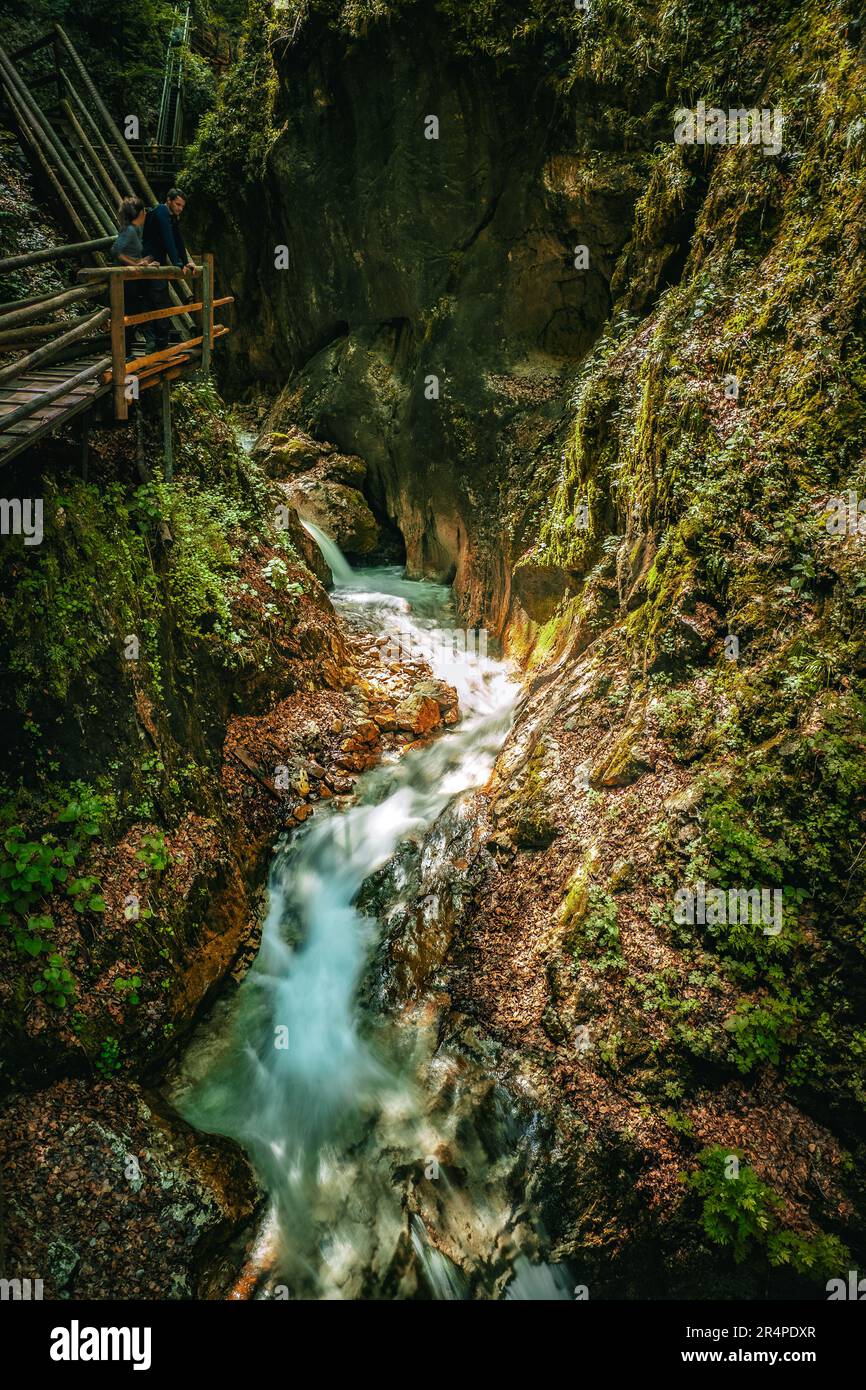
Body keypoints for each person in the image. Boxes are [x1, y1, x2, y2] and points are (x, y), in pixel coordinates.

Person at [141, 188, 195, 351]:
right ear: (169, 201)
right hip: (149, 261)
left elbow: (178, 239)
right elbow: (168, 238)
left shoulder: (172, 217)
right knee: (155, 300)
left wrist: (186, 262)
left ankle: (159, 344)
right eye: (177, 204)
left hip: (158, 262)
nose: (180, 208)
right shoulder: (161, 212)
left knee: (159, 300)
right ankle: (156, 344)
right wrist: (178, 264)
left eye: (182, 206)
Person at [111, 196, 156, 354]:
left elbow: (130, 253)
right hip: (126, 282)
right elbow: (116, 251)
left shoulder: (135, 229)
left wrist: (144, 262)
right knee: (130, 314)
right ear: (139, 213)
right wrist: (136, 265)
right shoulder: (129, 230)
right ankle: (127, 353)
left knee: (133, 313)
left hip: (132, 281)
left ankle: (129, 352)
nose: (145, 213)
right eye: (144, 210)